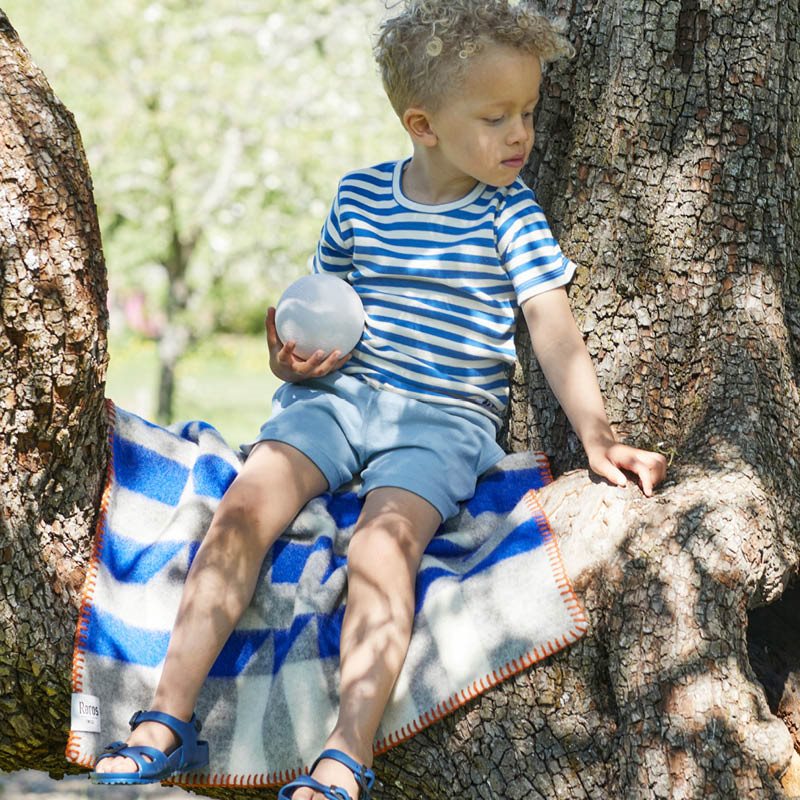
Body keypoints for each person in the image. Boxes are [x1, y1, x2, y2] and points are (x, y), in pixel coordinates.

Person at [91, 1, 668, 798]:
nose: (521, 135)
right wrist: (292, 361)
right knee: (242, 511)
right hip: (338, 397)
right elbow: (321, 304)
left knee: (380, 548)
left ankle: (345, 751)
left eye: (528, 112)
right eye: (496, 117)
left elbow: (553, 327)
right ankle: (165, 719)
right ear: (422, 125)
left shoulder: (512, 215)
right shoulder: (360, 198)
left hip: (442, 423)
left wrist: (597, 436)